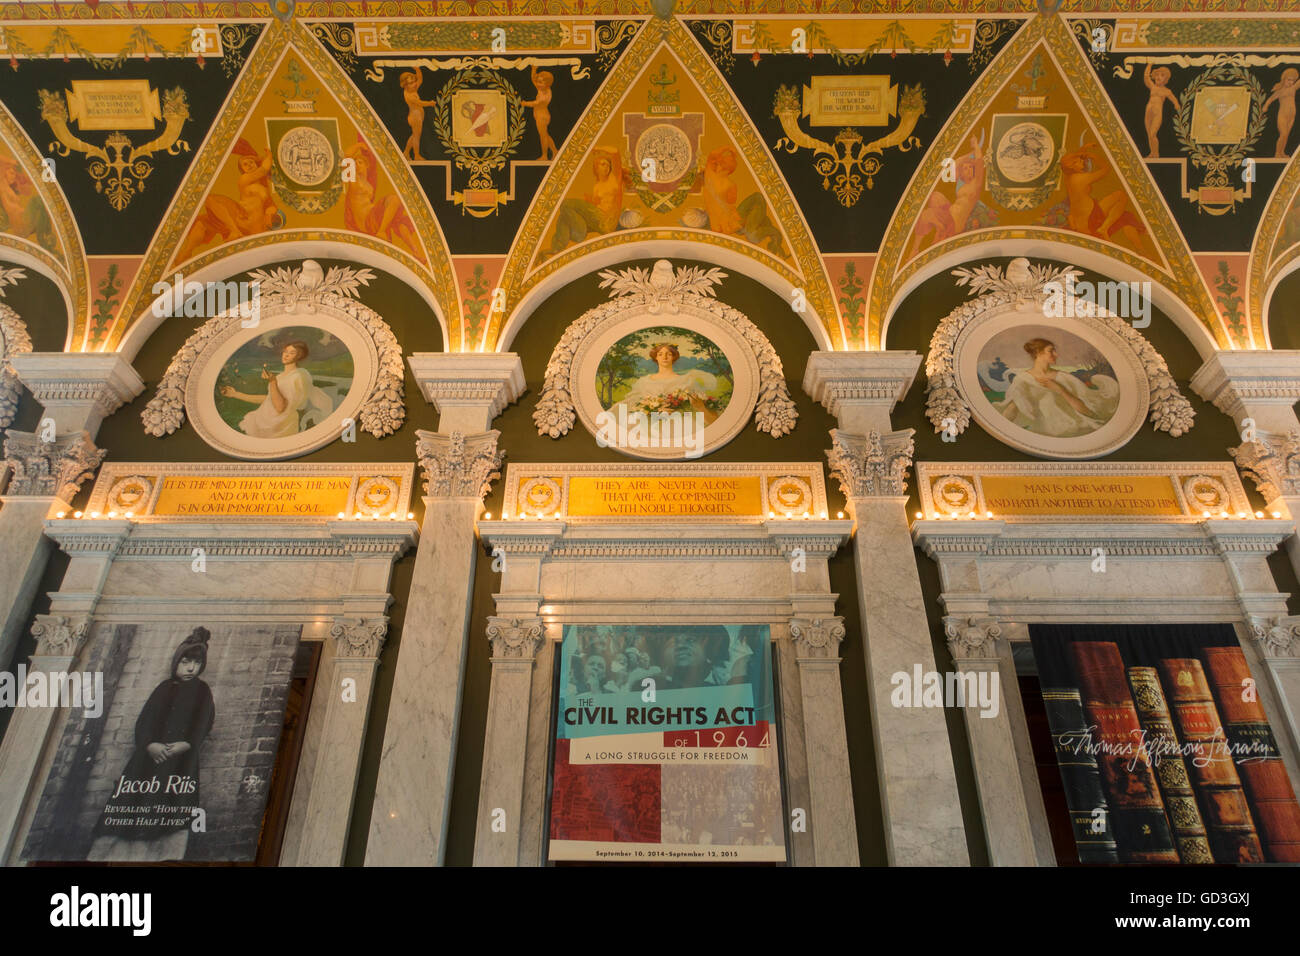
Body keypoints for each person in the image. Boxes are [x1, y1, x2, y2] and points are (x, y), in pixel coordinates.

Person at [87, 627, 216, 862]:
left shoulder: (202, 692)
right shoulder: (164, 688)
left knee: (172, 806)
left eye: (196, 663)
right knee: (134, 800)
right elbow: (145, 721)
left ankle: (164, 855)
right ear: (177, 662)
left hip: (181, 763)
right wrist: (149, 745)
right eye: (186, 662)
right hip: (147, 763)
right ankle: (118, 854)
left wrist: (186, 744)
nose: (191, 668)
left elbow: (204, 722)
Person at [177, 138, 278, 262]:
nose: (249, 165)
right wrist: (269, 156)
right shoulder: (245, 179)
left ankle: (234, 231)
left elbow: (270, 206)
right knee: (203, 222)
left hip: (252, 226)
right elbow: (264, 169)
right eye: (245, 164)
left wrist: (270, 213)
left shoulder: (263, 188)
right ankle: (186, 253)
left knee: (210, 201)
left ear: (256, 164)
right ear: (242, 170)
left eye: (251, 162)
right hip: (241, 219)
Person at [994, 338, 1119, 438]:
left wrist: (1060, 389)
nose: (1056, 354)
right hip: (1041, 435)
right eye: (1051, 351)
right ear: (1038, 352)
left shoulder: (1064, 378)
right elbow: (1012, 408)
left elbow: (1088, 411)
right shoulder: (1022, 379)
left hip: (1075, 432)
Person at [220, 339, 333, 439]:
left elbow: (280, 407)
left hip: (280, 427)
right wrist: (235, 394)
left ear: (299, 356)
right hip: (265, 421)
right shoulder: (279, 376)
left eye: (292, 353)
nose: (286, 355)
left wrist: (272, 382)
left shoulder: (298, 376)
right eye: (285, 351)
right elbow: (269, 400)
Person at [621, 343, 720, 424]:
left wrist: (700, 407)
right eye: (660, 354)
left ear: (674, 357)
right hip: (651, 425)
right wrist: (654, 412)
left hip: (679, 425)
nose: (664, 357)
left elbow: (706, 414)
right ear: (656, 357)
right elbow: (633, 410)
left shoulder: (686, 380)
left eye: (668, 354)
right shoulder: (644, 382)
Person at [1143, 64, 1180, 159]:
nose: (1159, 77)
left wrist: (1176, 105)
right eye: (1157, 74)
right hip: (1148, 112)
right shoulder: (1152, 86)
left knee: (1152, 134)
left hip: (1157, 114)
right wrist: (1149, 65)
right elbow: (1146, 77)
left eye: (1162, 75)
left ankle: (1156, 153)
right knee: (1149, 135)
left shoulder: (1166, 91)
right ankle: (1152, 153)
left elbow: (1174, 99)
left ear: (1166, 79)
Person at [400, 66, 436, 161]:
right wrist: (430, 103)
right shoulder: (409, 95)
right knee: (416, 137)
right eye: (411, 83)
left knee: (414, 135)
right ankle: (416, 155)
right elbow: (420, 103)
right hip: (415, 117)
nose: (415, 84)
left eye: (414, 81)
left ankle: (406, 153)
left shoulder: (412, 89)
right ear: (405, 85)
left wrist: (417, 68)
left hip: (417, 116)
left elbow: (420, 79)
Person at [522, 64, 557, 160]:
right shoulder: (543, 89)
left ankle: (544, 155)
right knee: (545, 135)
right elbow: (533, 79)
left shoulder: (544, 95)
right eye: (538, 82)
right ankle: (555, 151)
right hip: (541, 115)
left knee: (543, 136)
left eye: (540, 82)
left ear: (547, 84)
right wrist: (534, 70)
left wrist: (524, 103)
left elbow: (534, 103)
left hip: (542, 116)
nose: (537, 84)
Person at [1264, 67, 1299, 159]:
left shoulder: (1293, 89)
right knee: (1283, 134)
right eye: (1289, 80)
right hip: (1283, 116)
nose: (1291, 82)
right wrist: (1265, 106)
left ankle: (1282, 152)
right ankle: (1277, 153)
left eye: (1293, 80)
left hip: (1292, 116)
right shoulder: (1280, 91)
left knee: (1286, 135)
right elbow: (1271, 99)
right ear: (1284, 79)